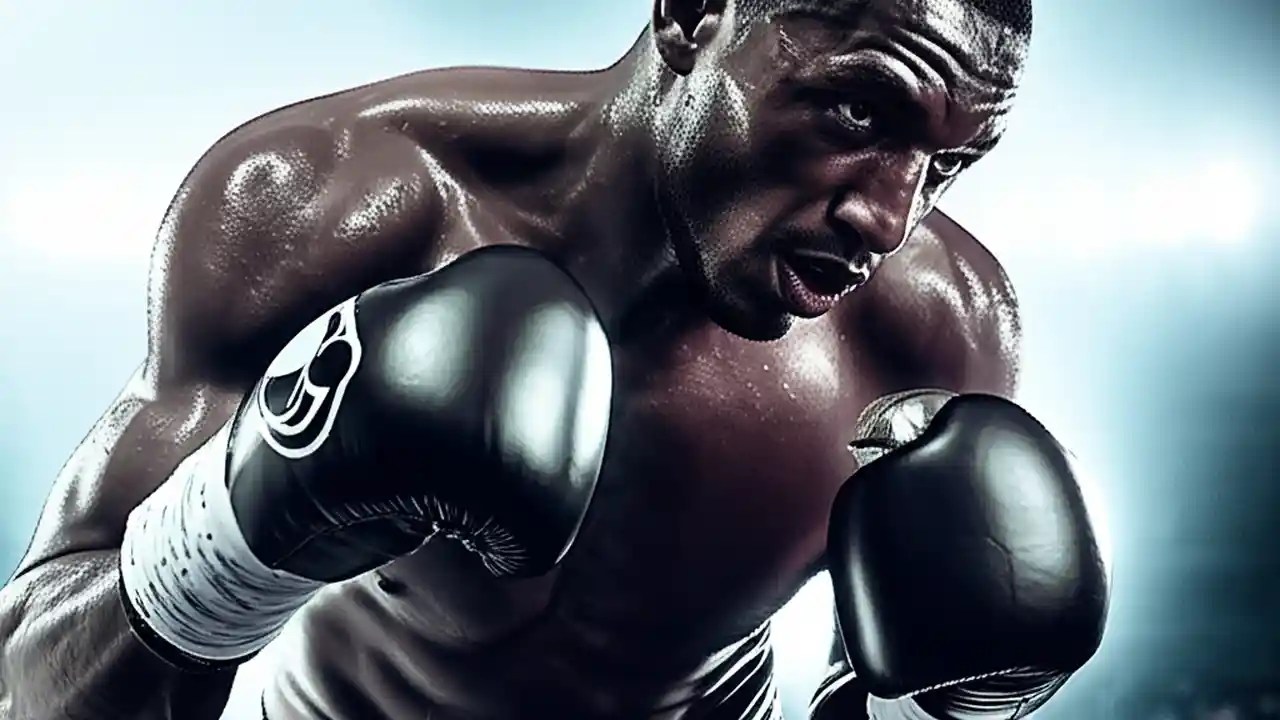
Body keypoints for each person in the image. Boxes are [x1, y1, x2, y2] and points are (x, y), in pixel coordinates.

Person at [0, 0, 1109, 718]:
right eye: (858, 107)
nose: (888, 216)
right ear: (693, 14)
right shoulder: (332, 205)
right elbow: (29, 685)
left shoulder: (938, 324)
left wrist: (948, 706)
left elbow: (871, 692)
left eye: (950, 162)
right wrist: (234, 536)